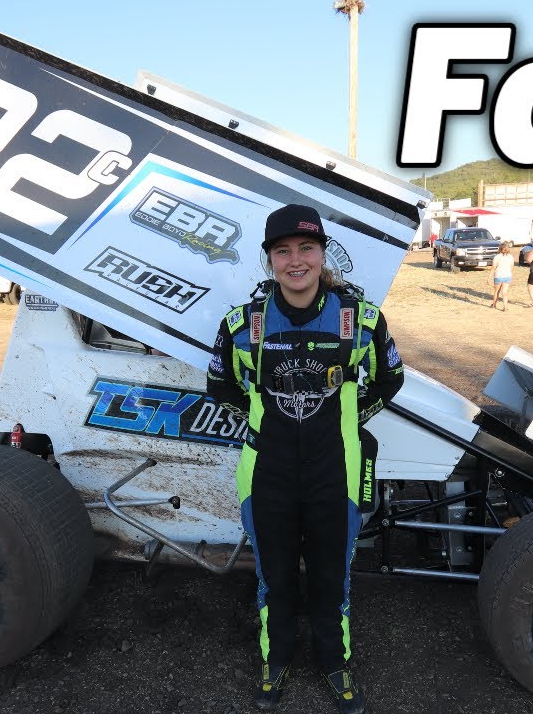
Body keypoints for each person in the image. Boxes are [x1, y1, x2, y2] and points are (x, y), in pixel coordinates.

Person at [207, 203, 404, 714]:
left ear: (322, 254)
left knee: (330, 577)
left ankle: (335, 664)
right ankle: (276, 662)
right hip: (265, 475)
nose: (296, 260)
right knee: (272, 577)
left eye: (306, 248)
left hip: (335, 474)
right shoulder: (242, 323)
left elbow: (390, 380)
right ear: (269, 260)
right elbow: (219, 385)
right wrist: (261, 414)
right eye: (283, 251)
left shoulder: (359, 320)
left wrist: (348, 418)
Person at [488, 242, 513, 310]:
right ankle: (505, 306)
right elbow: (512, 267)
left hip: (498, 276)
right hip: (507, 276)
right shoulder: (510, 257)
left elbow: (493, 268)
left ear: (500, 249)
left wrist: (489, 277)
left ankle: (494, 304)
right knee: (505, 292)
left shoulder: (497, 257)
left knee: (497, 291)